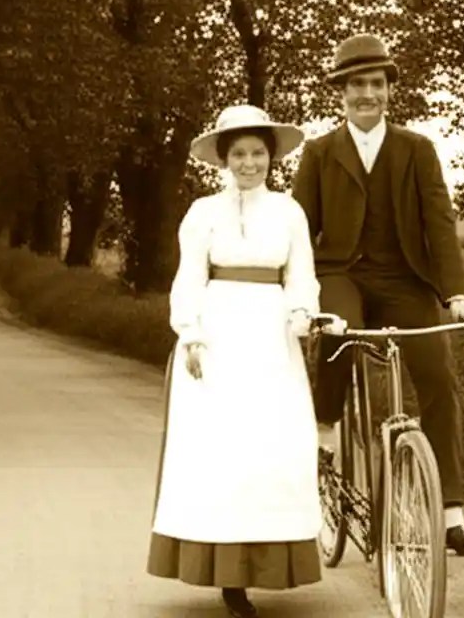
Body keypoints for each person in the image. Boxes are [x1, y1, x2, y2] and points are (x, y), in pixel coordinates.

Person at [291, 33, 464, 557]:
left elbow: (440, 226)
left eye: (376, 84)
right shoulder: (319, 152)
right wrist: (298, 297)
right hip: (342, 273)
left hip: (405, 279)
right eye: (357, 85)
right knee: (335, 329)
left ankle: (450, 517)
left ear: (388, 91)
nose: (367, 95)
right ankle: (326, 429)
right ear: (341, 92)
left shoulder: (416, 150)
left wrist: (456, 296)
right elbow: (298, 230)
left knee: (438, 377)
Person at [147, 104, 323, 618]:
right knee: (221, 453)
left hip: (271, 339)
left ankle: (269, 564)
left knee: (273, 448)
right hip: (219, 336)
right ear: (224, 160)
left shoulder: (289, 211)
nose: (250, 164)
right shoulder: (203, 213)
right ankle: (227, 578)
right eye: (240, 154)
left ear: (272, 157)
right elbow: (189, 279)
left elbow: (301, 275)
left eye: (259, 154)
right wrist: (192, 335)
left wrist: (301, 313)